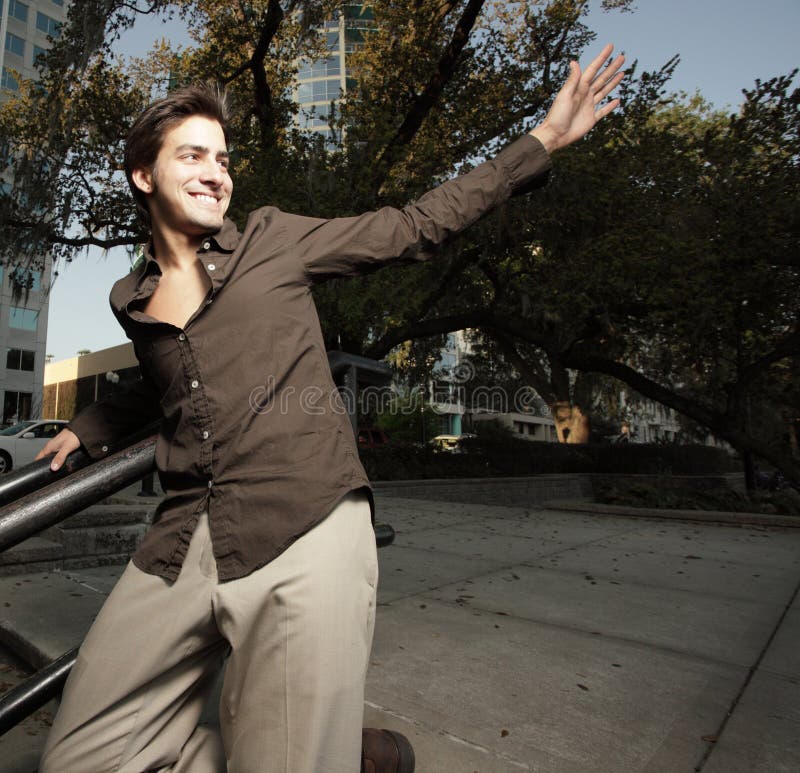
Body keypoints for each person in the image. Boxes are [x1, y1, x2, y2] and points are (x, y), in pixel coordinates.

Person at [36, 44, 625, 773]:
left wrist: (540, 141)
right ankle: (340, 756)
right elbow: (162, 382)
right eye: (192, 156)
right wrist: (87, 426)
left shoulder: (272, 241)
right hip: (187, 534)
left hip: (304, 524)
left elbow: (414, 225)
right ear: (143, 174)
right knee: (79, 757)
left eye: (221, 159)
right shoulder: (129, 297)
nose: (214, 172)